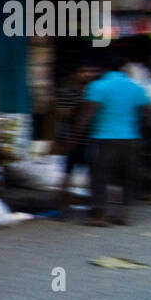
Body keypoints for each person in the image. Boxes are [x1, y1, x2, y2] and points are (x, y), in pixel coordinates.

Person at [80, 47, 151, 226]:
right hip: (132, 139)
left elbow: (87, 114)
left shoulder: (97, 86)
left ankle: (100, 215)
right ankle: (123, 214)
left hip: (104, 138)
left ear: (102, 68)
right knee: (127, 177)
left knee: (99, 176)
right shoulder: (136, 87)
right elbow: (145, 113)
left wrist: (75, 136)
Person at [53, 63, 98, 215]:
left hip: (91, 139)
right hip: (72, 140)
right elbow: (62, 114)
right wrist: (80, 106)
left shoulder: (96, 91)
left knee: (92, 175)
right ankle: (63, 208)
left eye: (91, 71)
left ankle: (92, 207)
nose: (88, 74)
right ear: (75, 74)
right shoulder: (68, 93)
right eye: (84, 70)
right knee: (67, 174)